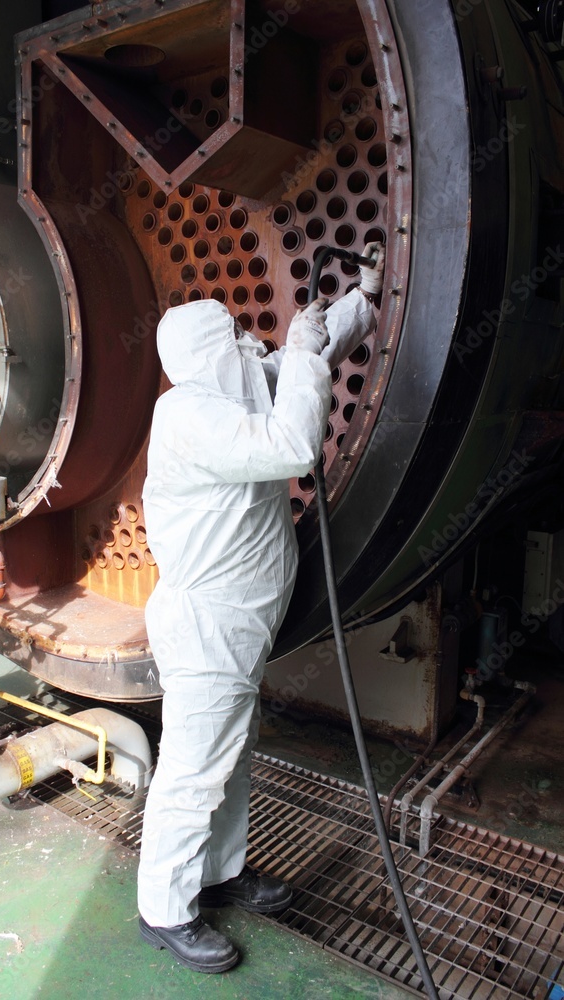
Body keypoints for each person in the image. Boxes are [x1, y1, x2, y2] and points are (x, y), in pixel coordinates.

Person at [137, 243, 386, 973]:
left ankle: (221, 872)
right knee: (192, 771)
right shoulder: (187, 415)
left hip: (238, 627)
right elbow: (290, 442)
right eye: (237, 337)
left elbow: (302, 353)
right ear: (210, 352)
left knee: (229, 760)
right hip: (207, 630)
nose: (253, 344)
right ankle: (165, 909)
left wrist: (360, 301)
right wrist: (304, 354)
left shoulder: (230, 393)